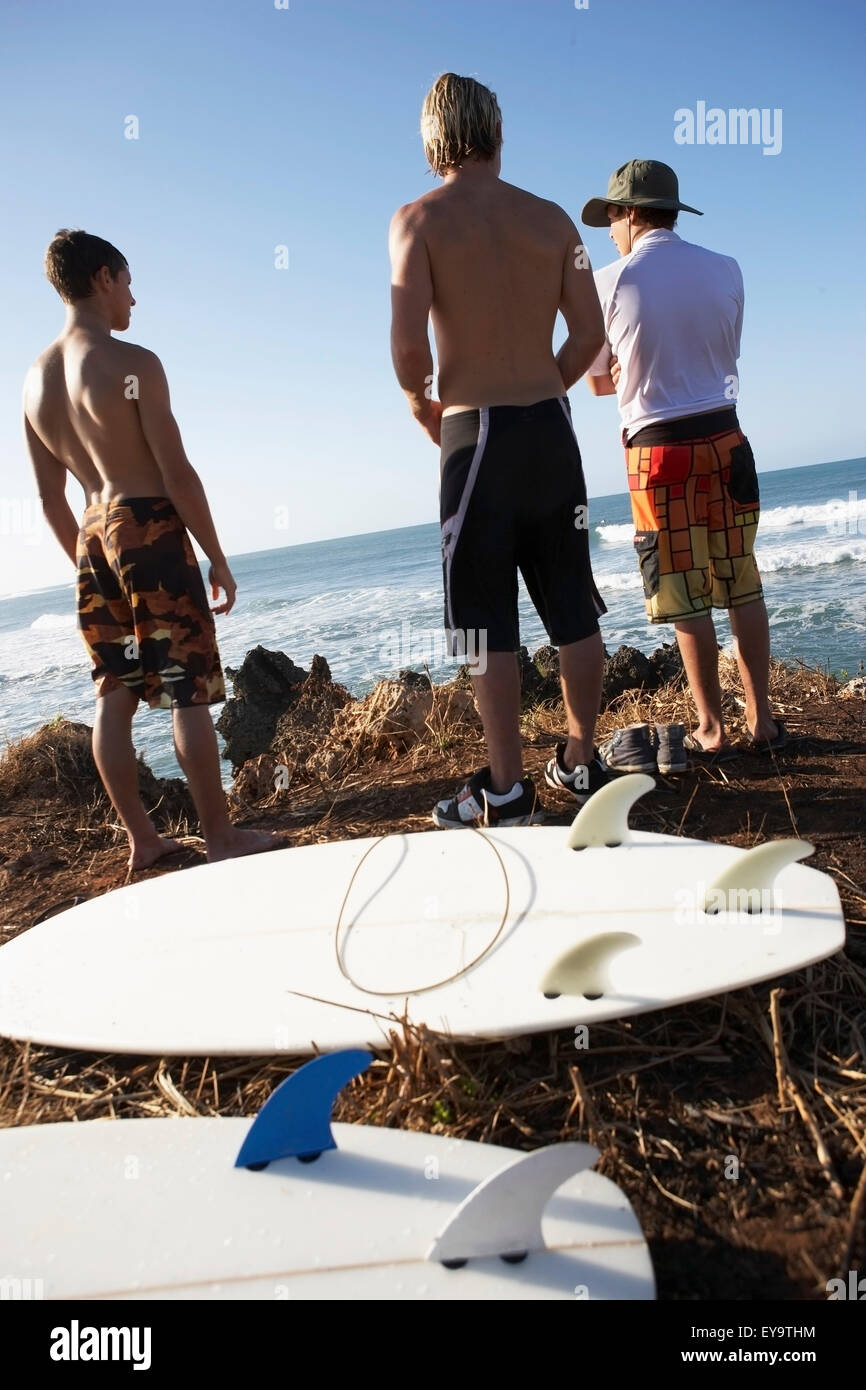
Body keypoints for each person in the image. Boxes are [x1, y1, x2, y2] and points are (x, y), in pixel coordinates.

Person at [389, 73, 609, 827]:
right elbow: (590, 336)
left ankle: (509, 792)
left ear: (433, 135)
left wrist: (428, 412)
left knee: (486, 620)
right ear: (496, 128)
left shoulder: (416, 221)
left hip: (474, 431)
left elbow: (408, 353)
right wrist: (544, 386)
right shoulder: (553, 222)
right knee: (573, 604)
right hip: (551, 428)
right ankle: (582, 762)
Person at [23, 229, 282, 868]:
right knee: (186, 688)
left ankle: (143, 841)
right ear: (105, 278)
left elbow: (51, 503)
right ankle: (221, 838)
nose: (133, 299)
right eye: (130, 282)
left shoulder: (34, 384)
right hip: (150, 527)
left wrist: (93, 567)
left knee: (115, 690)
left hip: (91, 535)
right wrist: (216, 555)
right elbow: (176, 471)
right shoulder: (133, 363)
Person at [582, 160, 787, 765]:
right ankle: (763, 721)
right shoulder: (727, 270)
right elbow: (723, 354)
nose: (609, 232)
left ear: (629, 213)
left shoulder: (609, 281)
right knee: (741, 580)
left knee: (685, 595)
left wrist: (628, 369)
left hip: (658, 450)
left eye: (611, 219)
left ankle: (712, 728)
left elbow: (596, 382)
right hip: (728, 438)